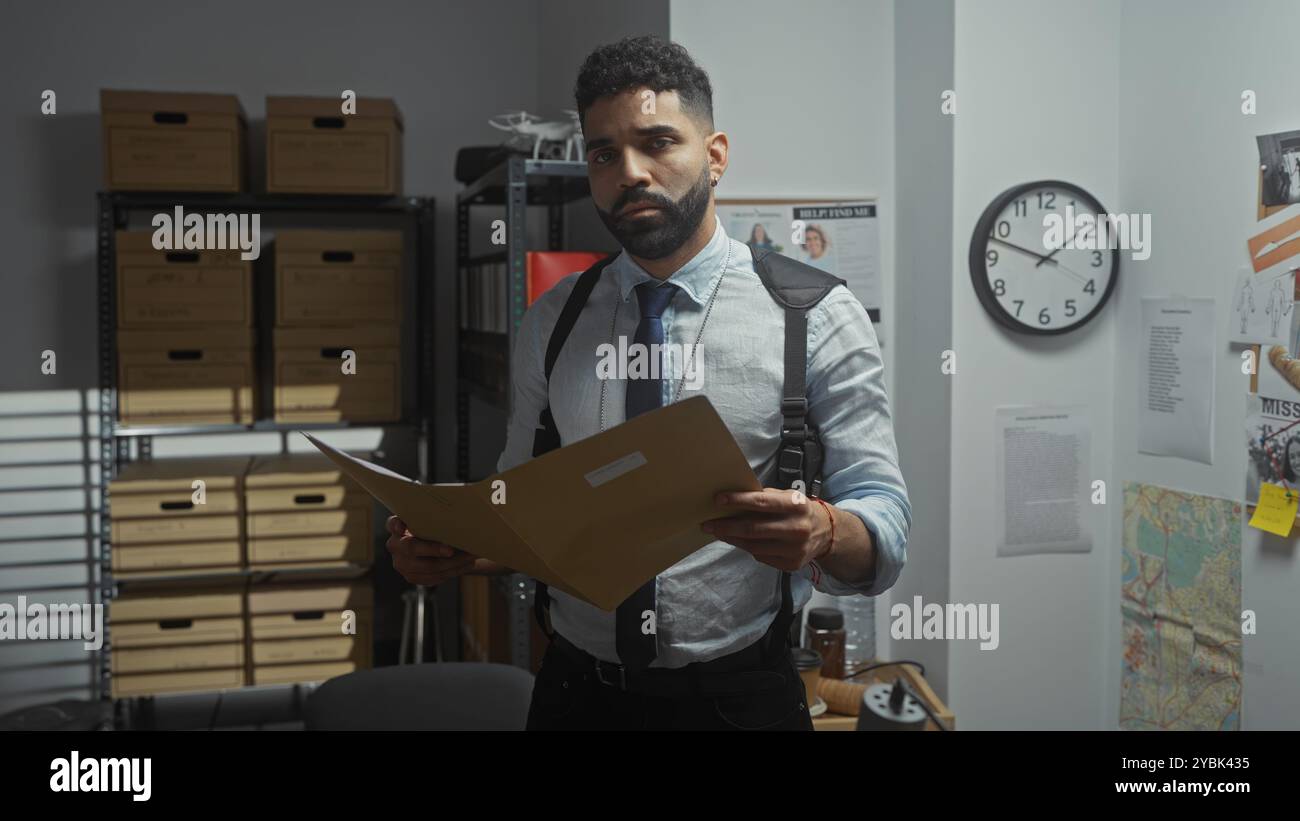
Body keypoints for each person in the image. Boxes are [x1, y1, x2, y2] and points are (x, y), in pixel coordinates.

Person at [386, 35, 910, 731]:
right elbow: (519, 506)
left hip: (741, 699)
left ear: (715, 155)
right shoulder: (555, 318)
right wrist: (449, 544)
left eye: (658, 141)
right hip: (577, 693)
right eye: (604, 153)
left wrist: (825, 527)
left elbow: (887, 528)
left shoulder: (815, 315)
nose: (630, 171)